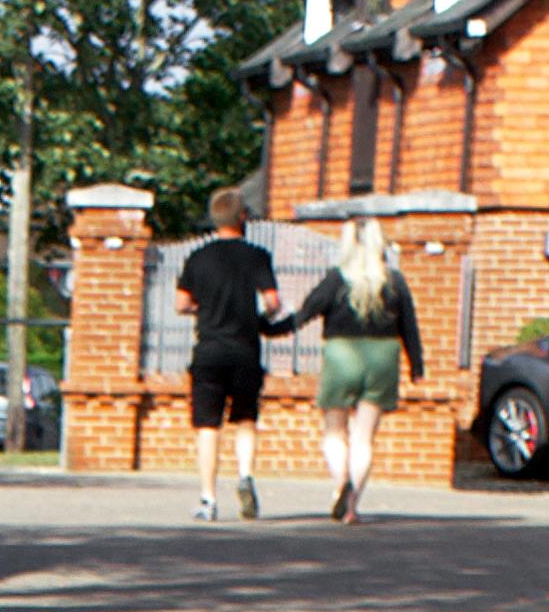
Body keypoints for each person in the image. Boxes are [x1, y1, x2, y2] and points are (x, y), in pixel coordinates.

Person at [285, 252, 418, 520]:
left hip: (341, 352)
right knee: (364, 437)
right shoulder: (394, 282)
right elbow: (409, 325)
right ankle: (352, 505)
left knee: (335, 431)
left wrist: (272, 326)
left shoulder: (337, 278)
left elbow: (308, 309)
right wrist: (417, 365)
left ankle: (341, 481)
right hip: (383, 356)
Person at [178, 190, 283, 519]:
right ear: (241, 218)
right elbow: (273, 301)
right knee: (245, 420)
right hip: (245, 350)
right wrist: (260, 315)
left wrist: (203, 307)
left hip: (209, 349)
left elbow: (181, 303)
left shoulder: (198, 257)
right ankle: (245, 476)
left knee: (208, 426)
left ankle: (208, 499)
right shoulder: (257, 256)